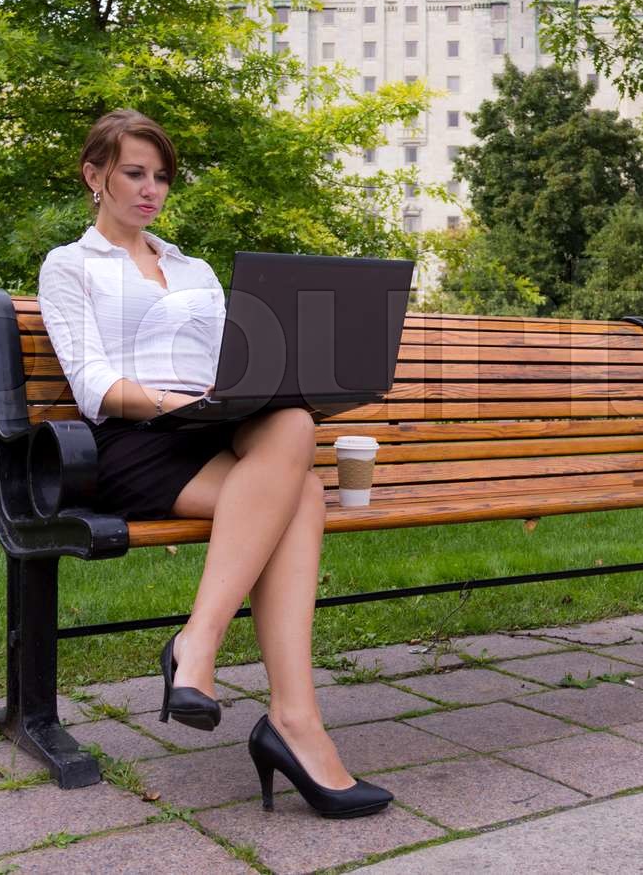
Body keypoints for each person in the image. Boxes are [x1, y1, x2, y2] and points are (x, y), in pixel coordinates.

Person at [37, 109, 391, 819]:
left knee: (290, 415)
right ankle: (290, 720)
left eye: (161, 177)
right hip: (134, 443)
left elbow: (236, 362)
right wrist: (175, 399)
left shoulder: (193, 267)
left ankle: (205, 650)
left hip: (214, 430)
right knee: (304, 497)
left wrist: (248, 386)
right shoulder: (70, 266)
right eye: (134, 173)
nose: (150, 190)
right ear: (94, 175)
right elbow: (93, 386)